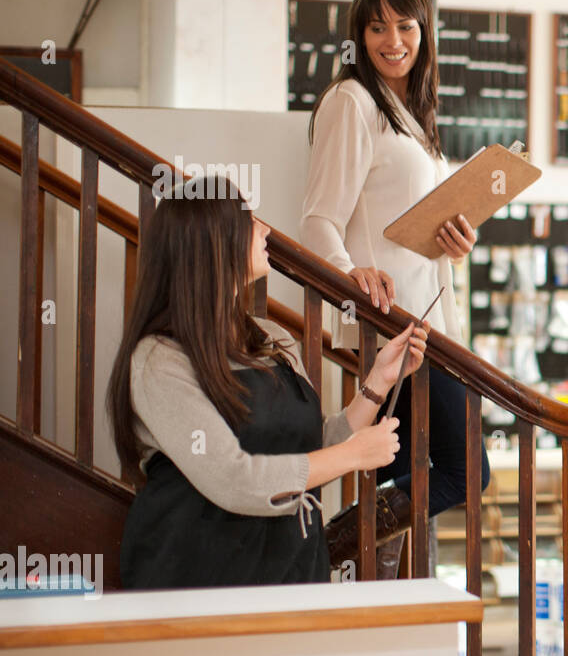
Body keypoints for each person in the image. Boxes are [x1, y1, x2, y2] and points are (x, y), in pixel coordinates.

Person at [107, 175, 428, 589]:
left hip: (289, 566)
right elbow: (233, 478)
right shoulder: (159, 360)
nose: (265, 229)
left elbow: (309, 451)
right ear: (210, 243)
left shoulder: (271, 337)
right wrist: (354, 456)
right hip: (194, 577)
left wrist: (378, 383)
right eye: (248, 219)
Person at [300, 0, 489, 528]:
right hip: (395, 325)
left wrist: (456, 243)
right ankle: (333, 545)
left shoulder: (412, 115)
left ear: (424, 32)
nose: (393, 40)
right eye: (377, 27)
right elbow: (317, 220)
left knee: (400, 466)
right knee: (464, 470)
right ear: (359, 35)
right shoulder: (351, 101)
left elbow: (409, 226)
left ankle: (371, 588)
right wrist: (349, 274)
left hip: (429, 323)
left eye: (405, 26)